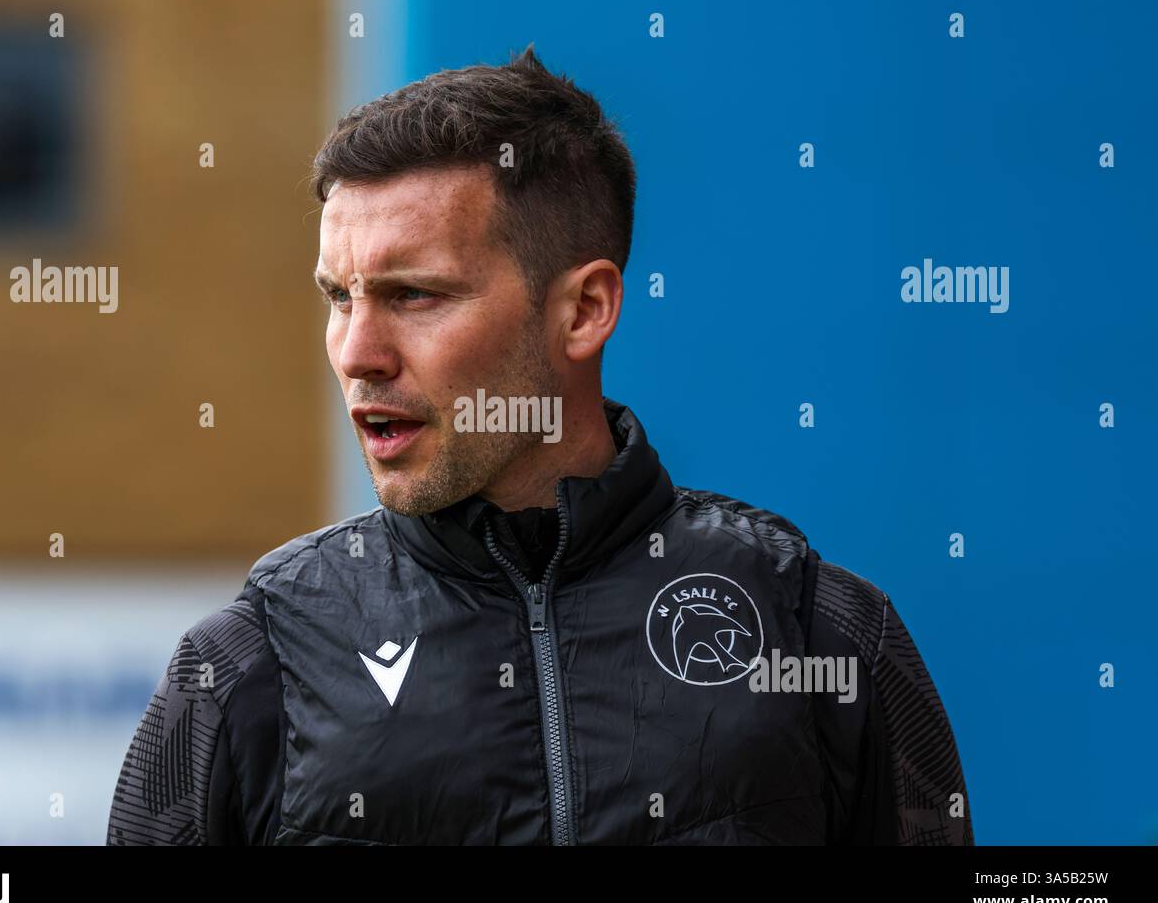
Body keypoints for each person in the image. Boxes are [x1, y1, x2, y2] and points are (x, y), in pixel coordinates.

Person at [107, 46, 973, 846]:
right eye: (340, 296)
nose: (356, 352)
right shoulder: (248, 663)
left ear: (585, 311)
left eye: (413, 296)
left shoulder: (817, 630)